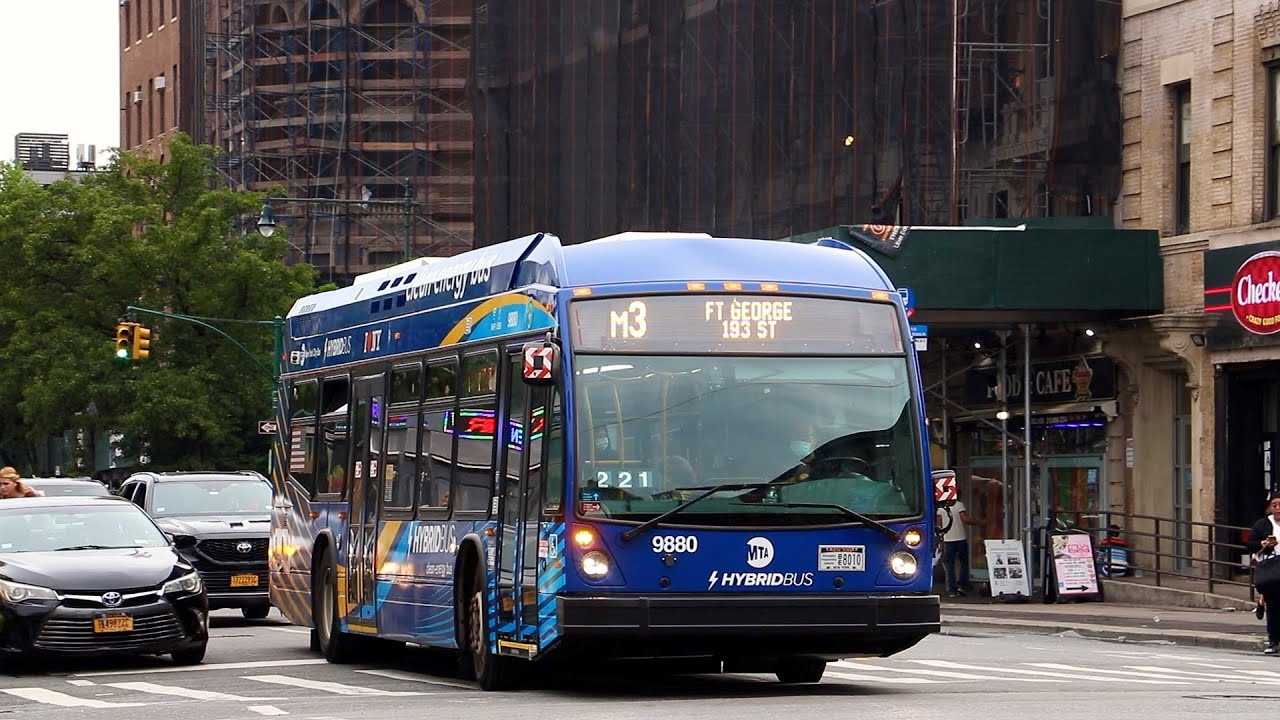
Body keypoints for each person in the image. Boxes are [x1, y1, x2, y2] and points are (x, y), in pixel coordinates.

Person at [1246, 492, 1280, 654]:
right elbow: (1250, 544)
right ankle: (1274, 641)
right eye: (1274, 505)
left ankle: (1261, 601)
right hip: (1271, 568)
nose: (1278, 509)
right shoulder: (1262, 524)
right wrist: (1263, 543)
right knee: (1274, 607)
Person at [936, 492, 980, 598]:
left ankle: (952, 589)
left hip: (947, 540)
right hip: (961, 538)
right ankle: (963, 584)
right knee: (964, 562)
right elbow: (965, 519)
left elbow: (939, 526)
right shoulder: (959, 505)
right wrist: (979, 522)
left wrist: (940, 541)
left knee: (949, 565)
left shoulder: (940, 509)